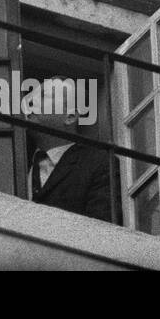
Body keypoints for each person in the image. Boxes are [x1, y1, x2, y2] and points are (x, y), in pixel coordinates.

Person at [25, 77, 113, 222]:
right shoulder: (11, 153)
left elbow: (102, 228)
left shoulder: (97, 164)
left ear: (70, 117)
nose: (30, 102)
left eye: (43, 96)